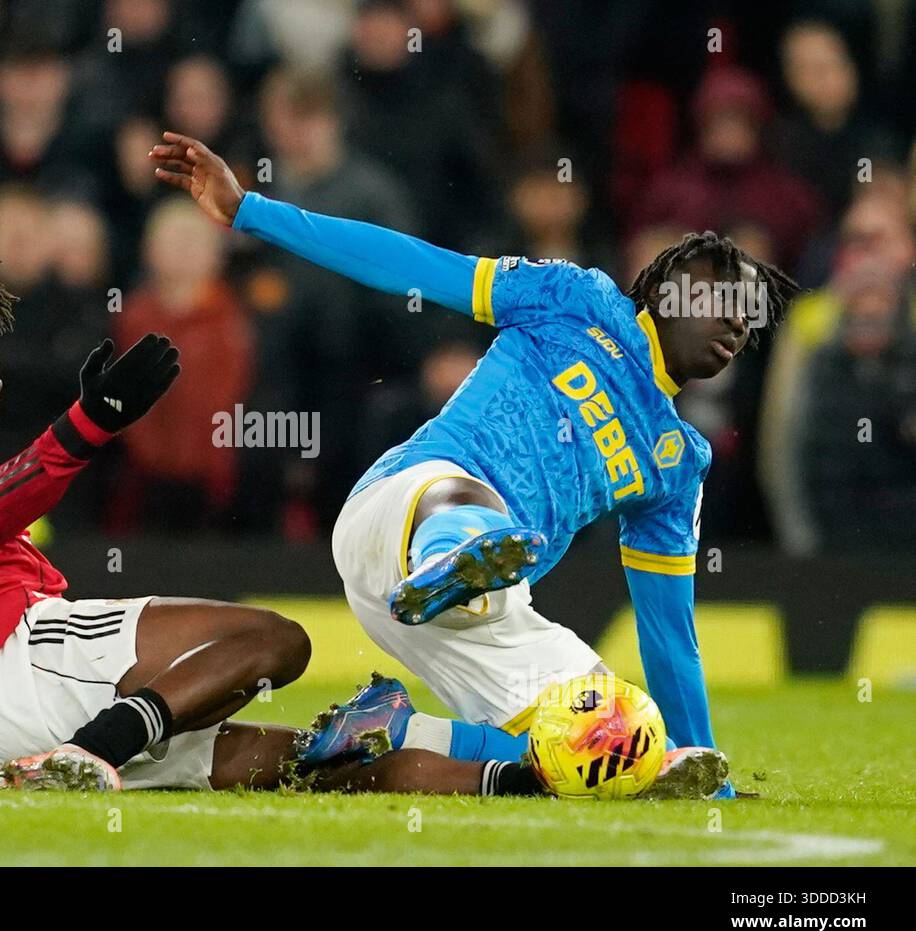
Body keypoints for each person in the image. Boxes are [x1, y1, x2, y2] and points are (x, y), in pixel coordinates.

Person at [0, 255, 553, 798]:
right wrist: (86, 425)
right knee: (278, 642)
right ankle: (100, 744)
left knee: (319, 759)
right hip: (9, 664)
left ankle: (533, 775)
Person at [150, 132, 801, 798]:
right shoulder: (574, 298)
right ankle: (455, 552)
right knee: (463, 496)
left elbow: (670, 631)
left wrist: (700, 767)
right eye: (722, 296)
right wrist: (250, 212)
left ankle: (390, 733)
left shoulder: (678, 463)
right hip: (398, 514)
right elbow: (411, 262)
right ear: (664, 287)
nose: (736, 323)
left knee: (604, 744)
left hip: (485, 608)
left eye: (748, 318)